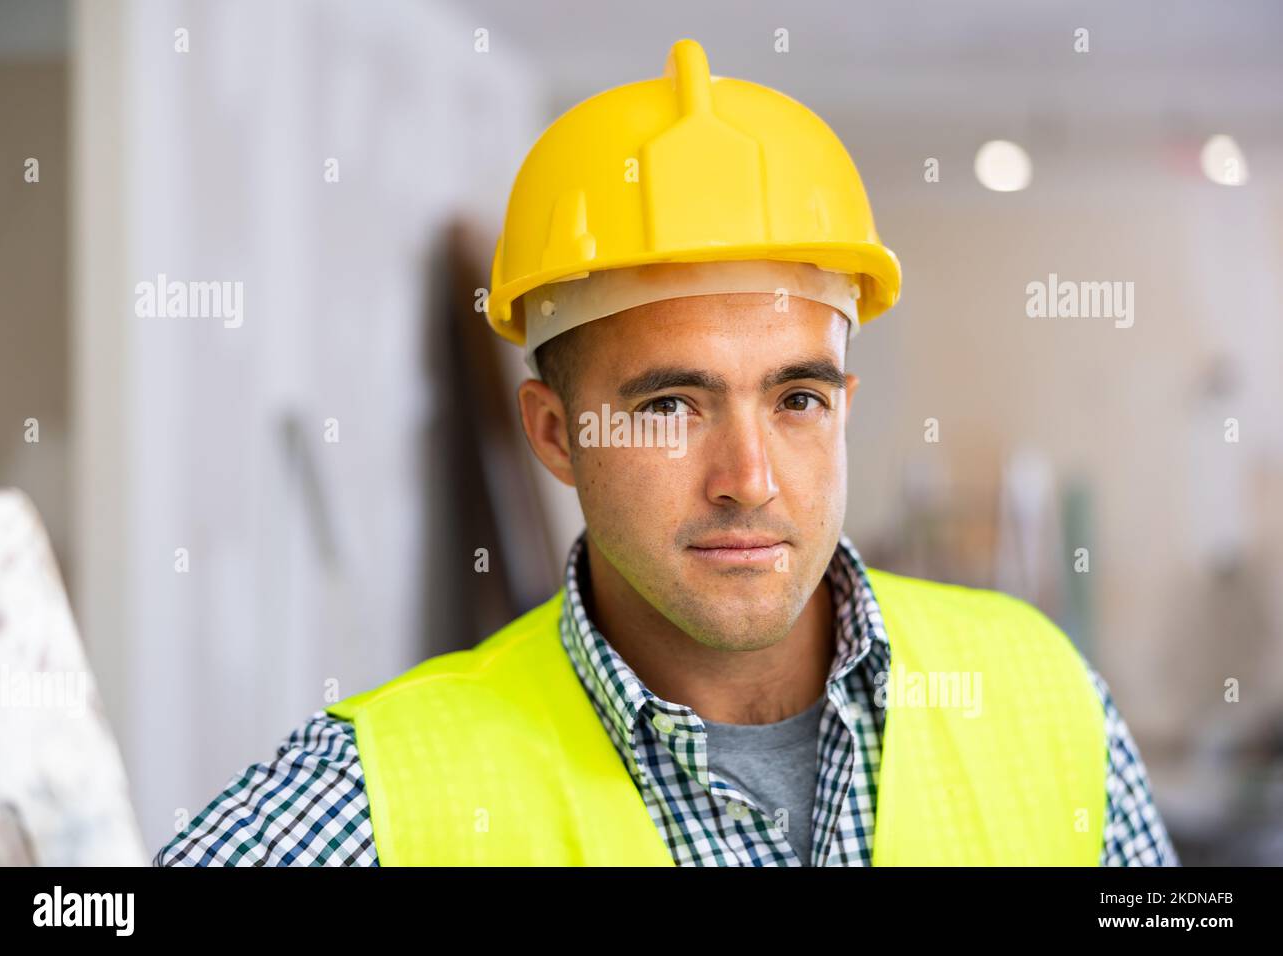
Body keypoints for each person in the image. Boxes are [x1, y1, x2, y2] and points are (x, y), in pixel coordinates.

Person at [157, 38, 1178, 867]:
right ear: (554, 433)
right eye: (669, 404)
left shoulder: (1043, 695)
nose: (748, 476)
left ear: (844, 405)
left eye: (797, 397)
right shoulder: (380, 798)